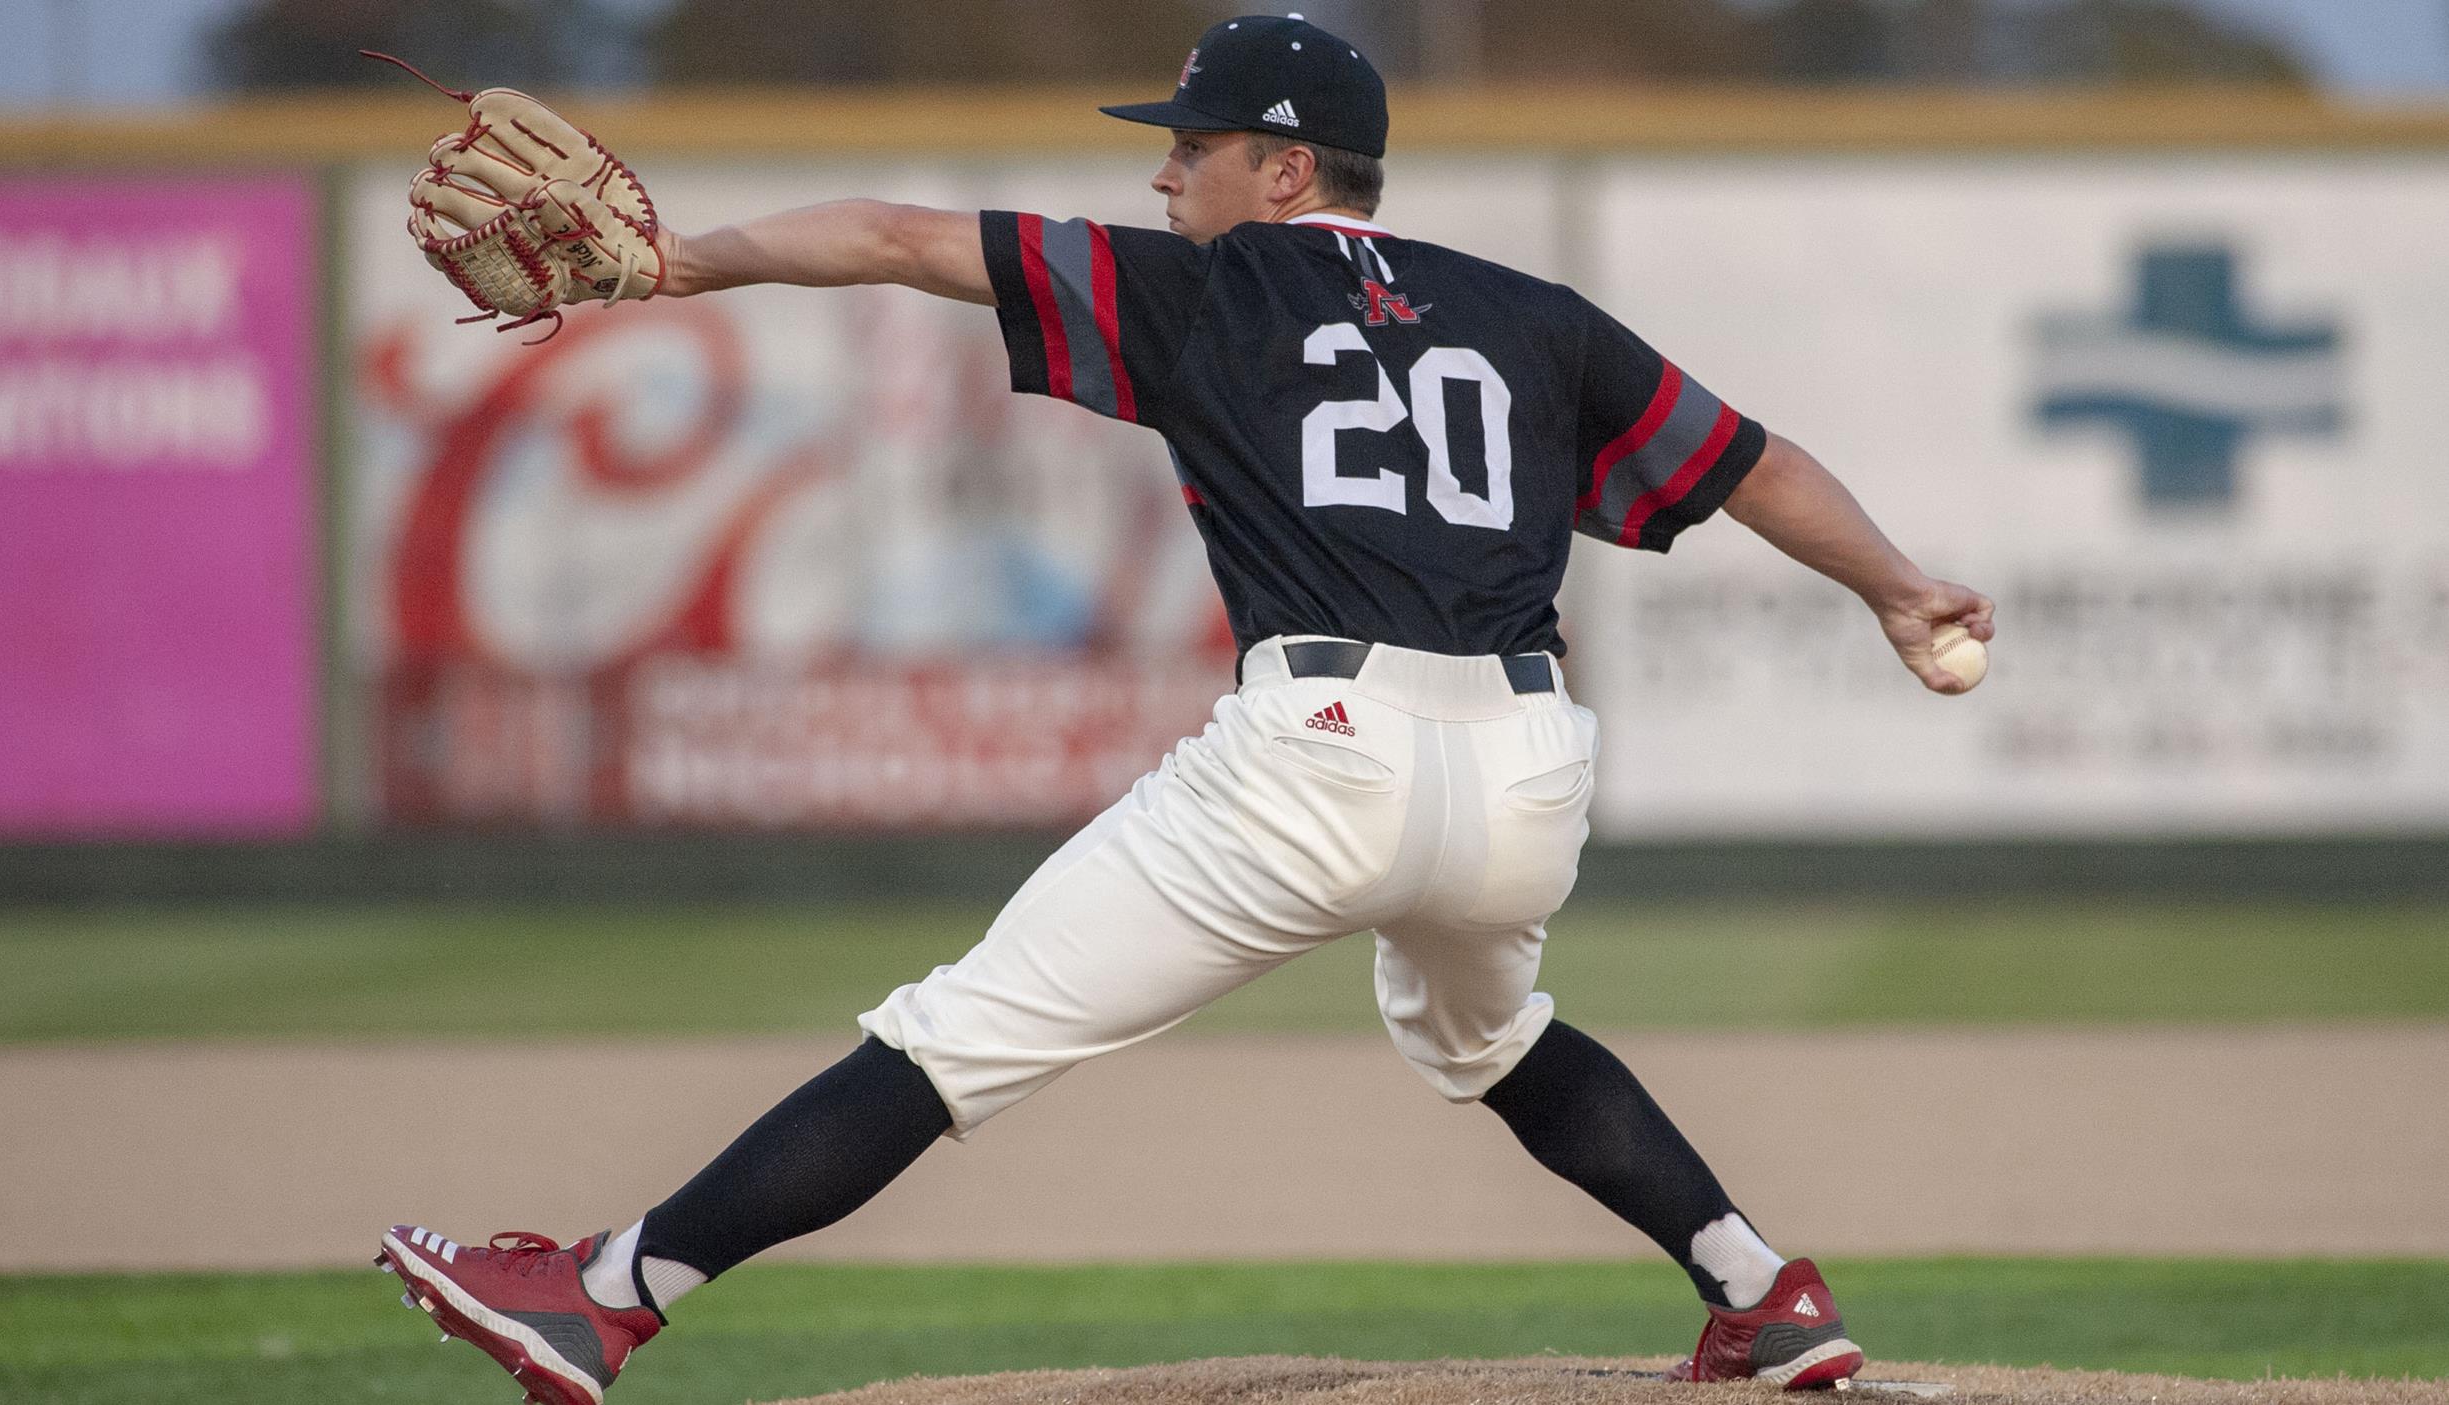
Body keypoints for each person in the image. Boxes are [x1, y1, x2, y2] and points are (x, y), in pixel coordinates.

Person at [372, 16, 1996, 1405]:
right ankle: (1758, 1287)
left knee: (959, 1031)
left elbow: (891, 238)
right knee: (1485, 1028)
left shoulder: (1205, 294)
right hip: (1525, 776)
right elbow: (1754, 464)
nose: (1163, 177)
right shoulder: (1528, 315)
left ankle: (608, 1290)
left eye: (1191, 148)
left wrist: (683, 266)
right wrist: (1900, 587)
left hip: (1317, 761)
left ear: (1285, 172)